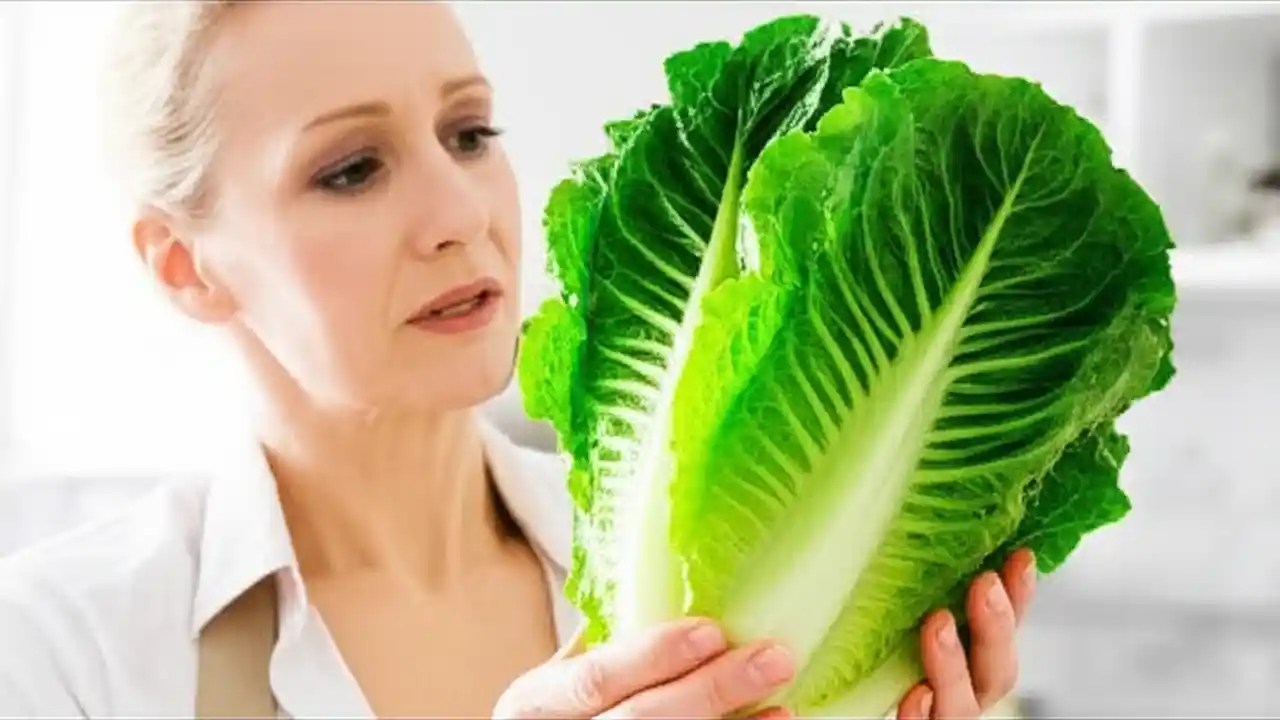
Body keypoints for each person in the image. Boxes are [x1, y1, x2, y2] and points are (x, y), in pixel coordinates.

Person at [0, 2, 1037, 718]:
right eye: (351, 169)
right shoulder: (64, 649)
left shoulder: (705, 565)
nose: (461, 215)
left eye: (468, 131)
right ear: (184, 265)